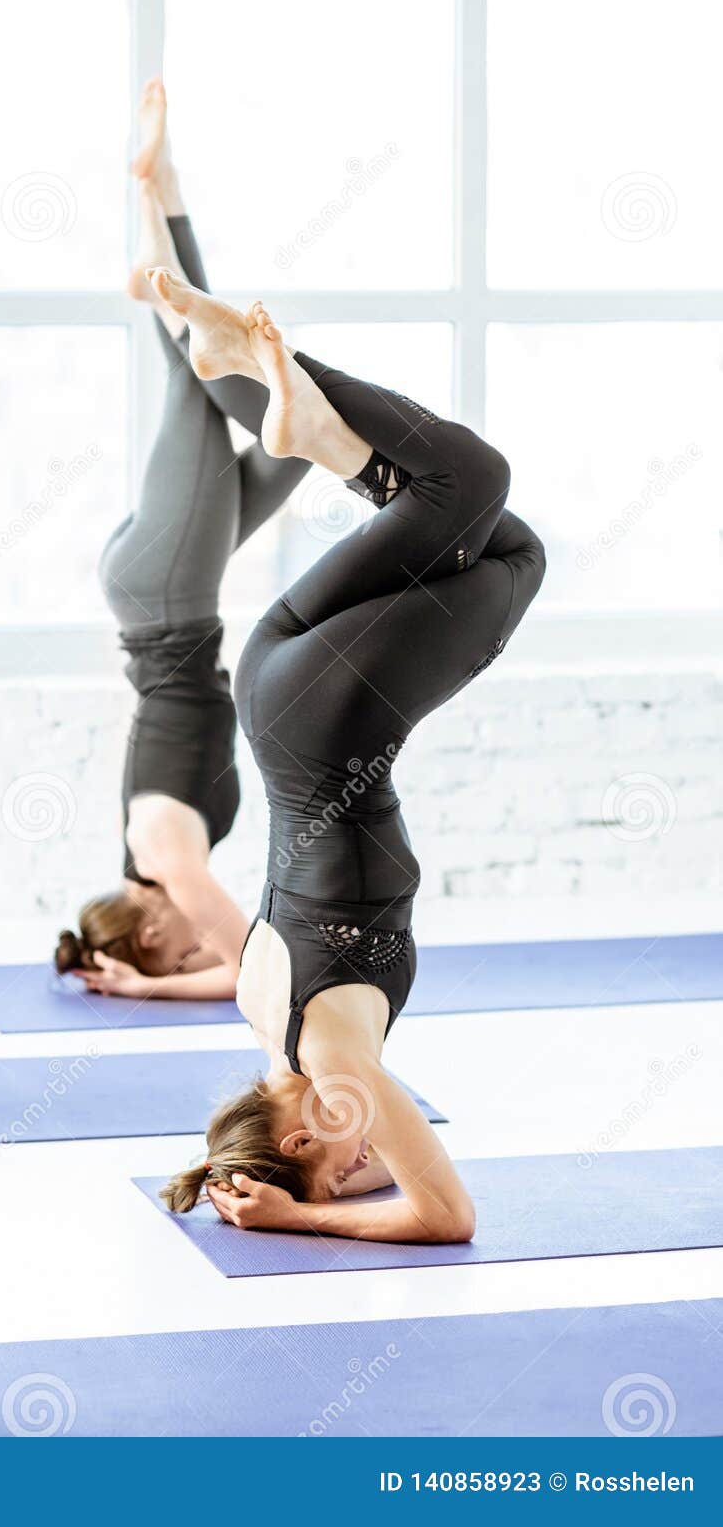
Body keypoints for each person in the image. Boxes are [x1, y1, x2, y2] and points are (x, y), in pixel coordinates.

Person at [154, 281, 545, 1241]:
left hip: (334, 719)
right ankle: (279, 395)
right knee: (478, 525)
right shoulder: (263, 1013)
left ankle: (294, 408)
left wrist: (301, 1220)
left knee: (479, 500)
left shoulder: (338, 1067)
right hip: (272, 686)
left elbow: (446, 1218)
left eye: (336, 1177)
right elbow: (199, 905)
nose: (362, 1168)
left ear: (299, 1142)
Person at [54, 81, 309, 1001]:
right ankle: (163, 205)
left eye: (171, 949)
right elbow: (228, 954)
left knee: (195, 369)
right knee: (299, 434)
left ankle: (156, 215)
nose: (187, 949)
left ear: (152, 924)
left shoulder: (165, 854)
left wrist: (143, 990)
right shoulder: (152, 858)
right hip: (172, 587)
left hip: (166, 592)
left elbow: (254, 970)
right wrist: (135, 975)